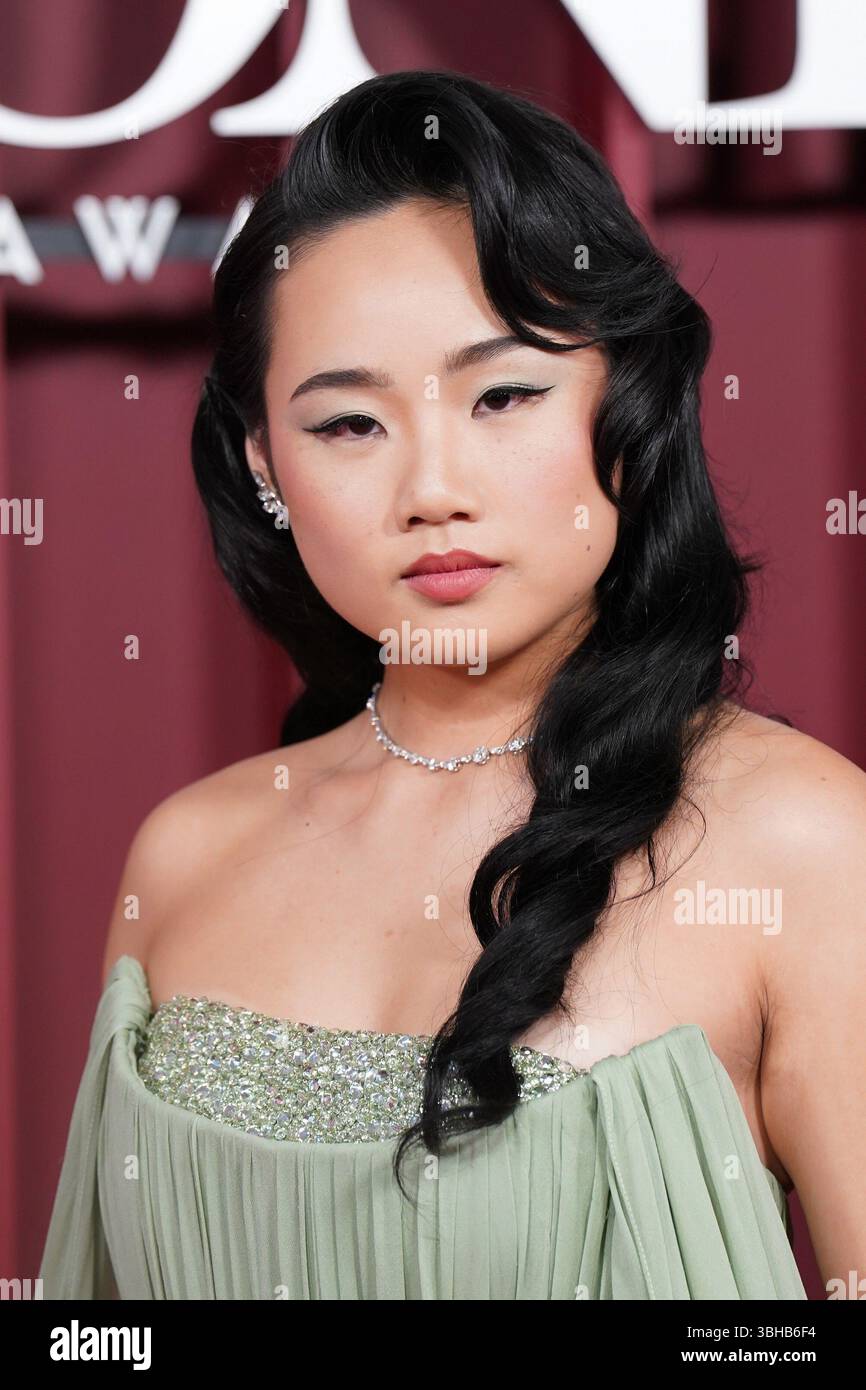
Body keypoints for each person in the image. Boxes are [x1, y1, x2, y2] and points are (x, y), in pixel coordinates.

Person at [39, 68, 865, 1301]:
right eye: (348, 426)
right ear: (264, 461)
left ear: (626, 408)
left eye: (503, 396)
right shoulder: (189, 853)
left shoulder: (802, 844)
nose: (432, 486)